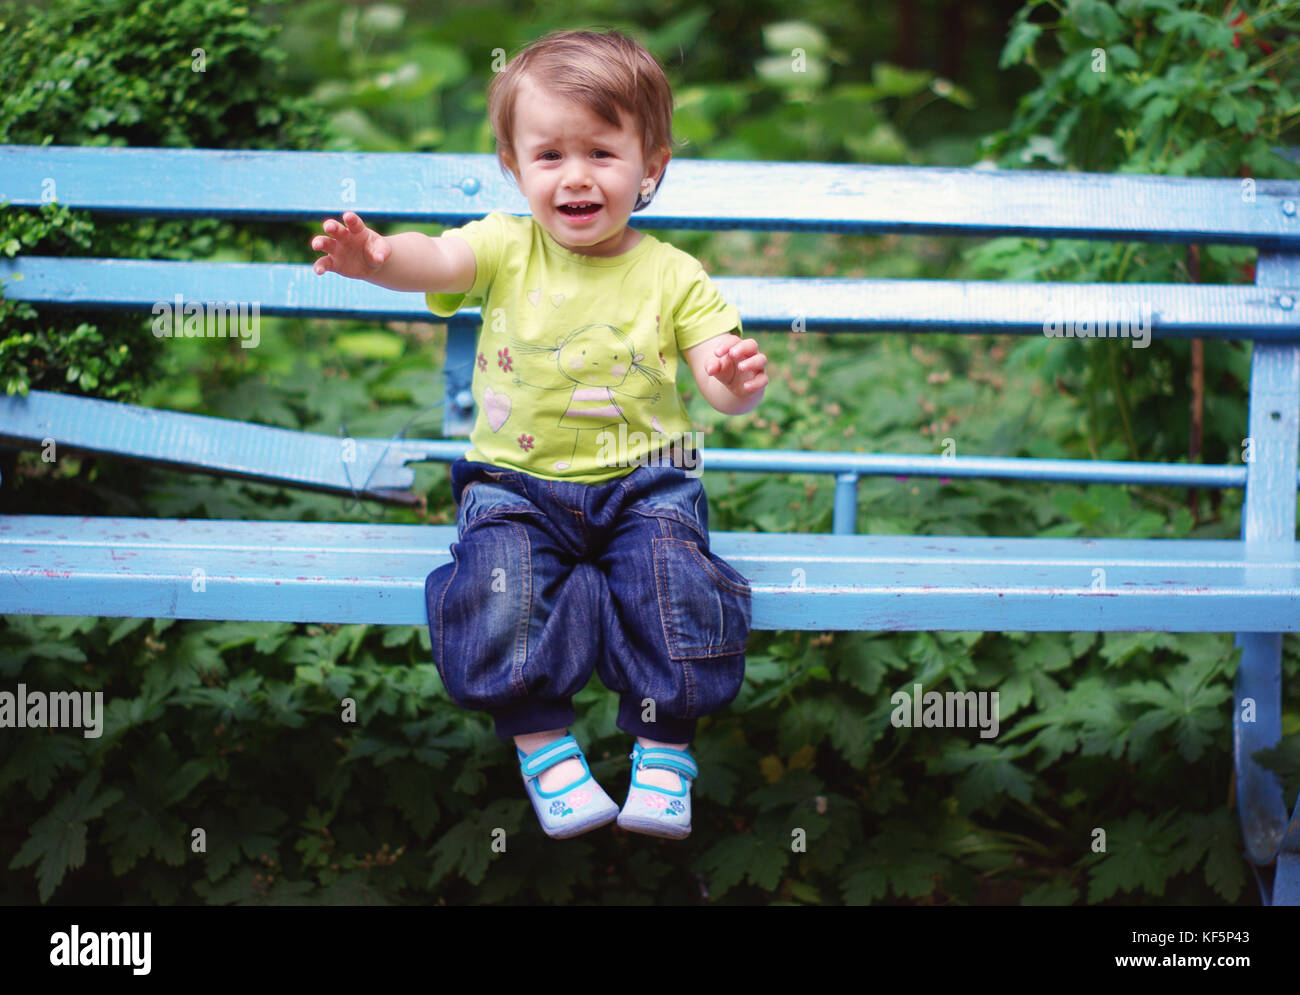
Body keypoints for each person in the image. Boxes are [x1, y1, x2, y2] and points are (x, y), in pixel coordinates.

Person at [311, 28, 768, 840]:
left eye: (602, 152)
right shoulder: (502, 246)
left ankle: (664, 752)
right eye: (550, 155)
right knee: (498, 583)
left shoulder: (674, 274)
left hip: (646, 485)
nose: (576, 175)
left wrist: (732, 380)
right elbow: (435, 260)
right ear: (514, 166)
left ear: (651, 165)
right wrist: (379, 257)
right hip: (514, 488)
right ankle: (544, 747)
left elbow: (716, 374)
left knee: (675, 578)